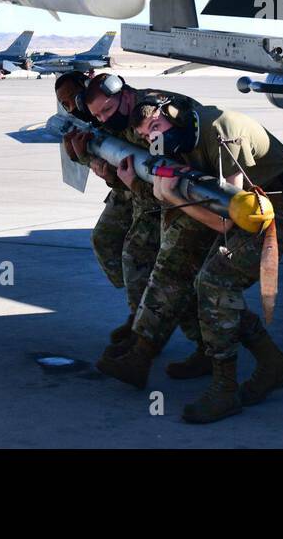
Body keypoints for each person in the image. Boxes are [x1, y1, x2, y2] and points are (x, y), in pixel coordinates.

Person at [118, 94, 283, 424]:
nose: (154, 139)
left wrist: (167, 194)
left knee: (215, 283)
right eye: (147, 137)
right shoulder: (181, 140)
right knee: (203, 282)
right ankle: (272, 364)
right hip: (252, 208)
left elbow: (228, 221)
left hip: (282, 206)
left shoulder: (221, 131)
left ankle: (225, 389)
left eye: (156, 127)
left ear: (173, 115)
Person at [54, 73, 206, 370]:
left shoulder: (145, 115)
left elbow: (158, 177)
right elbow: (121, 168)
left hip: (172, 197)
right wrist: (87, 159)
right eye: (66, 104)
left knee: (144, 263)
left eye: (75, 98)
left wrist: (115, 176)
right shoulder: (100, 115)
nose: (73, 106)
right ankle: (144, 320)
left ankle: (154, 336)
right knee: (108, 243)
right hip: (140, 192)